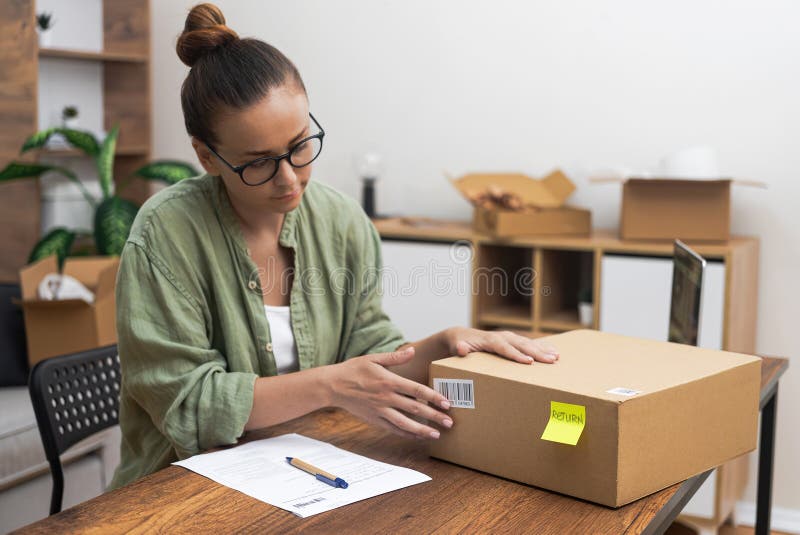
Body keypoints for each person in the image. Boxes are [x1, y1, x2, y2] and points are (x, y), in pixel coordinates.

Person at [109, 2, 558, 490]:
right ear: (206, 156)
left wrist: (442, 347)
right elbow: (192, 406)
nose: (289, 179)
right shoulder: (165, 235)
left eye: (300, 145)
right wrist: (330, 385)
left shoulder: (341, 221)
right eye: (258, 163)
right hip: (179, 490)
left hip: (308, 468)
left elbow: (368, 348)